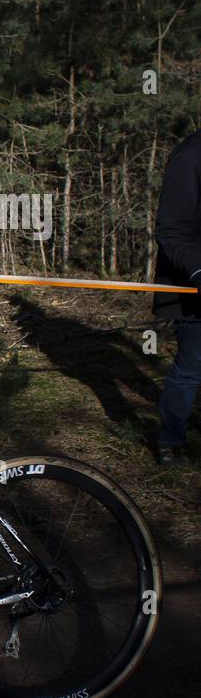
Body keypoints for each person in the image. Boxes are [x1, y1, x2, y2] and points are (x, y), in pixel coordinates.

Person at [152, 128, 201, 465]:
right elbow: (171, 229)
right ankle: (171, 441)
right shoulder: (190, 157)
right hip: (191, 289)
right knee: (193, 365)